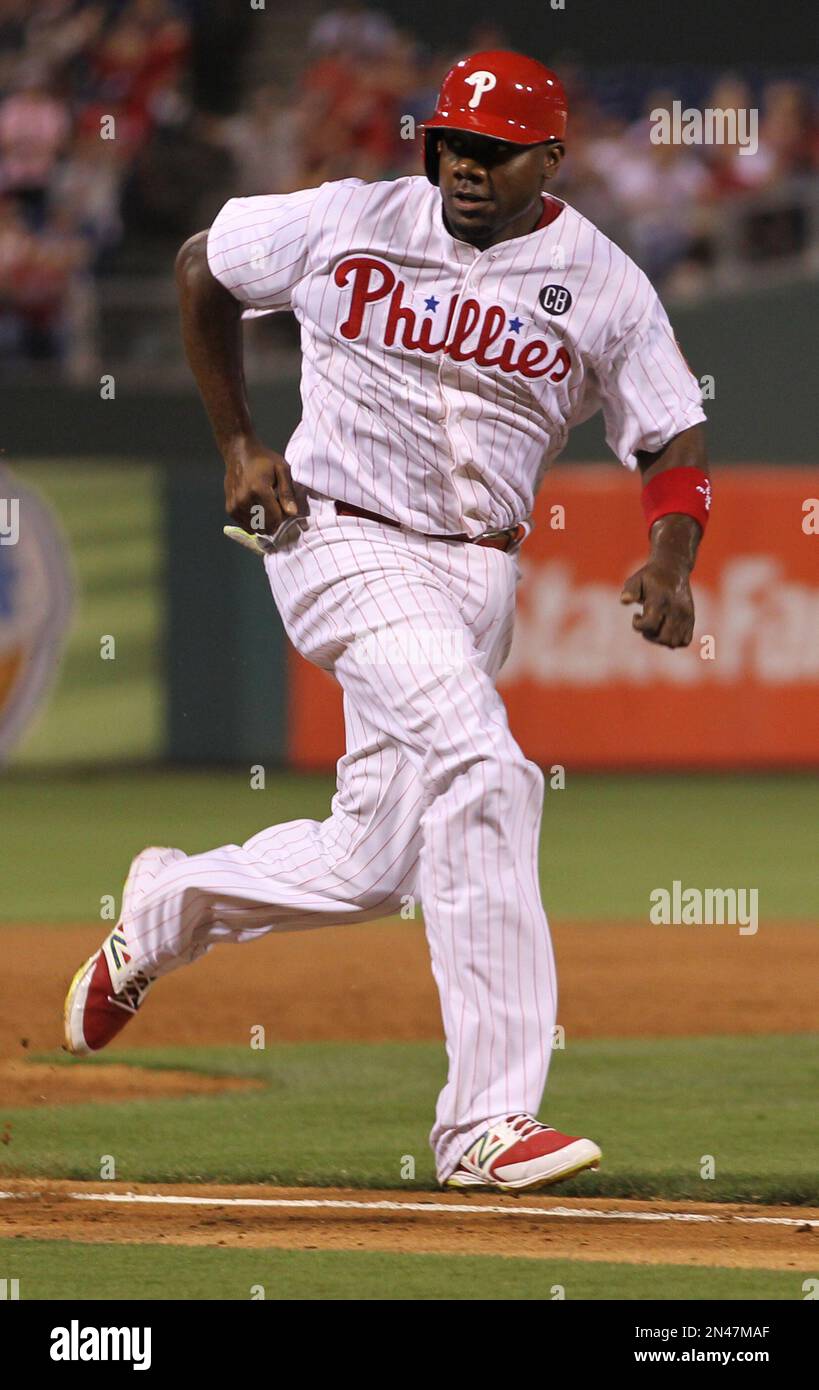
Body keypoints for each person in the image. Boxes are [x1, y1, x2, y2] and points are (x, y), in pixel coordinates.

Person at [64, 51, 710, 1194]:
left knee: (373, 860)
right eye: (451, 143)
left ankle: (166, 906)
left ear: (550, 158)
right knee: (486, 768)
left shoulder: (603, 281)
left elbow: (667, 430)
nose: (464, 166)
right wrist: (235, 441)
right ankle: (486, 1121)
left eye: (493, 151)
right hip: (339, 534)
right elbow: (199, 265)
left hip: (477, 576)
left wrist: (672, 555)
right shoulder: (348, 219)